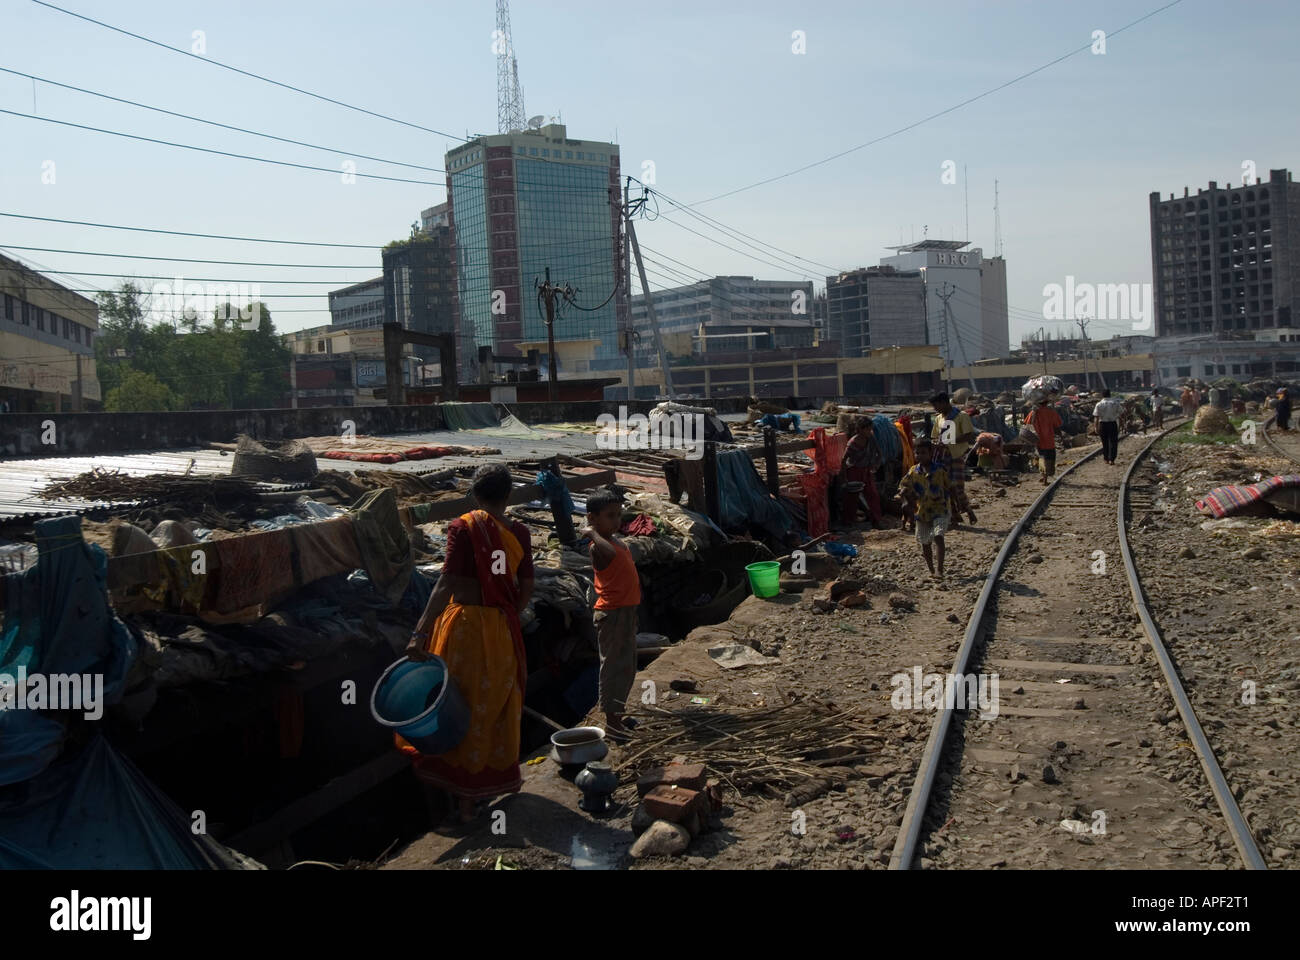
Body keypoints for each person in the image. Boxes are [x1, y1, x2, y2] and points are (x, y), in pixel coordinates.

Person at [402, 463, 535, 824]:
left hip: (463, 630)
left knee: (457, 708)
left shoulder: (464, 527)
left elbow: (445, 583)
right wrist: (507, 612)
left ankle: (461, 805)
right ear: (508, 496)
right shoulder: (519, 532)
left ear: (475, 494)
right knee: (492, 710)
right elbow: (526, 587)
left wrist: (419, 633)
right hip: (501, 630)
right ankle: (484, 790)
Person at [583, 487, 642, 737]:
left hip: (626, 611)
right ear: (592, 518)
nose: (617, 521)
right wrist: (592, 533)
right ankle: (611, 722)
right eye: (610, 515)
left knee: (627, 666)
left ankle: (618, 713)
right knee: (613, 667)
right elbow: (606, 553)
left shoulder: (617, 542)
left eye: (618, 515)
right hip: (612, 614)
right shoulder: (598, 547)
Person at [897, 438, 950, 581]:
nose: (920, 456)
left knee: (938, 536)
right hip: (922, 512)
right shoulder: (914, 471)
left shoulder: (940, 470)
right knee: (925, 542)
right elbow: (904, 485)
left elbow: (951, 488)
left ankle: (939, 570)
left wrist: (963, 509)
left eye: (924, 453)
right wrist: (903, 494)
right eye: (918, 453)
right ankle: (931, 569)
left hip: (940, 509)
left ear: (931, 453)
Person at [929, 391, 977, 526]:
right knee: (944, 488)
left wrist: (950, 441)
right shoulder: (939, 418)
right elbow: (935, 437)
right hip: (942, 457)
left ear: (944, 402)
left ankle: (968, 510)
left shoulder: (961, 416)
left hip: (956, 456)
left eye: (937, 405)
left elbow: (968, 435)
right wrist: (936, 443)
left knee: (957, 488)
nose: (935, 409)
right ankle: (954, 516)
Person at [839, 416, 883, 527]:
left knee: (873, 495)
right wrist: (844, 477)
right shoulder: (853, 443)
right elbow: (843, 460)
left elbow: (879, 452)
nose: (870, 431)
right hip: (854, 470)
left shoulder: (871, 438)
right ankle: (848, 521)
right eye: (867, 429)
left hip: (866, 470)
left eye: (870, 429)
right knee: (852, 498)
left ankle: (876, 521)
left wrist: (876, 464)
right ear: (860, 429)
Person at [1025, 398, 1063, 485]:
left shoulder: (1033, 413)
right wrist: (1061, 437)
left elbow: (1027, 424)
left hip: (1037, 440)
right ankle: (1046, 478)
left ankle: (1043, 477)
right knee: (1049, 459)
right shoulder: (1051, 412)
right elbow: (1057, 425)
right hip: (1049, 441)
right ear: (1047, 402)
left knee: (1041, 458)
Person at [1093, 389, 1124, 465]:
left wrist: (1096, 427)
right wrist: (1121, 424)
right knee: (1113, 442)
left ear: (1102, 395)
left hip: (1103, 425)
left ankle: (1106, 459)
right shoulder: (1115, 403)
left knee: (1105, 442)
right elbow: (1121, 413)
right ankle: (1112, 460)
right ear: (1110, 394)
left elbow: (1096, 417)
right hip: (1113, 424)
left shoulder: (1099, 404)